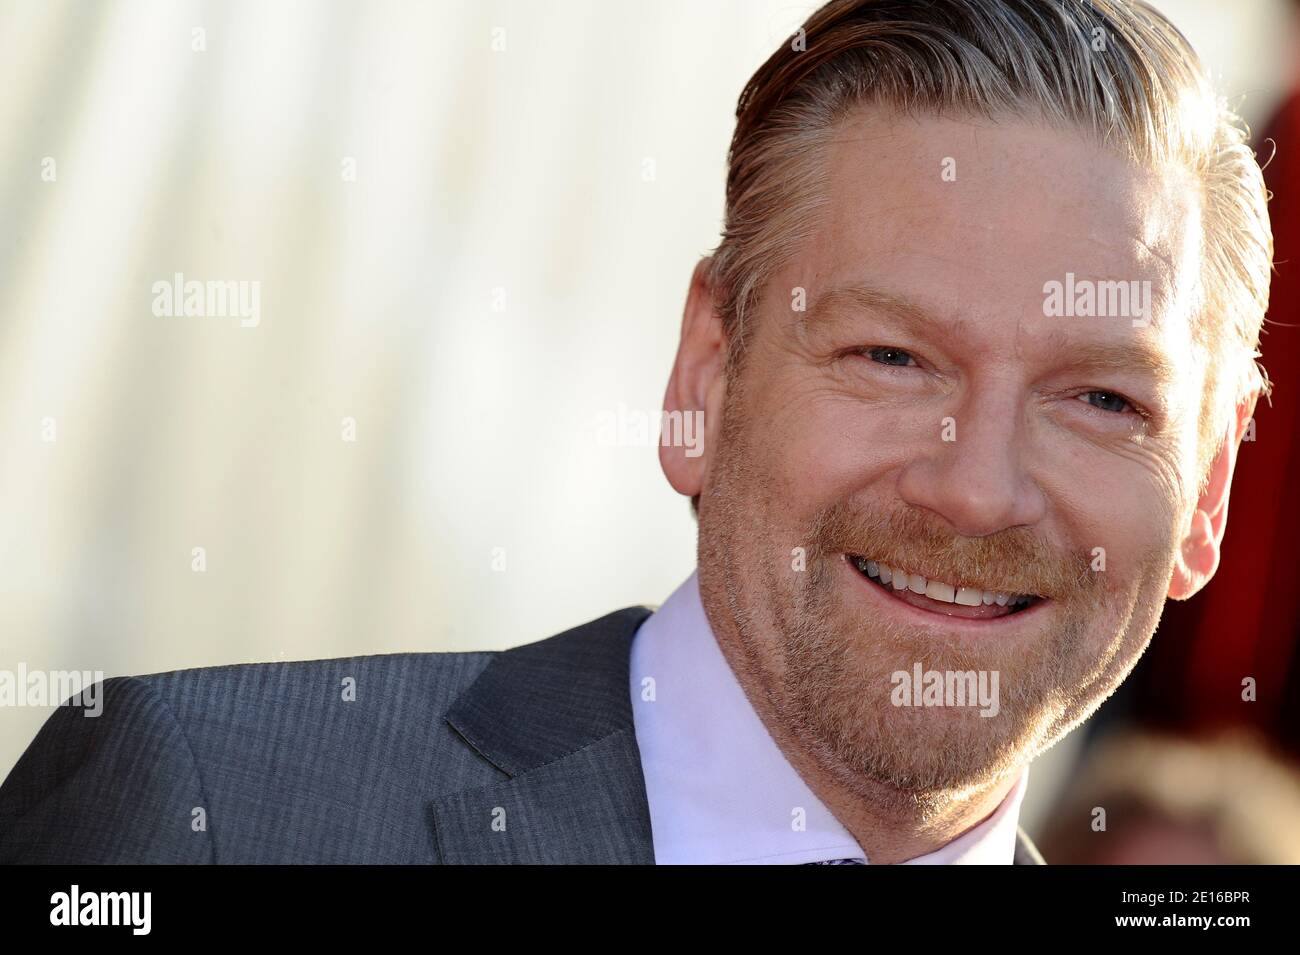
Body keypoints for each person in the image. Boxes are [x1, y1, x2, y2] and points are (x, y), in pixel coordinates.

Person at [0, 0, 1273, 864]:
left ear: (1206, 492)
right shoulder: (218, 813)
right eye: (890, 357)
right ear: (706, 379)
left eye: (1102, 400)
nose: (977, 487)